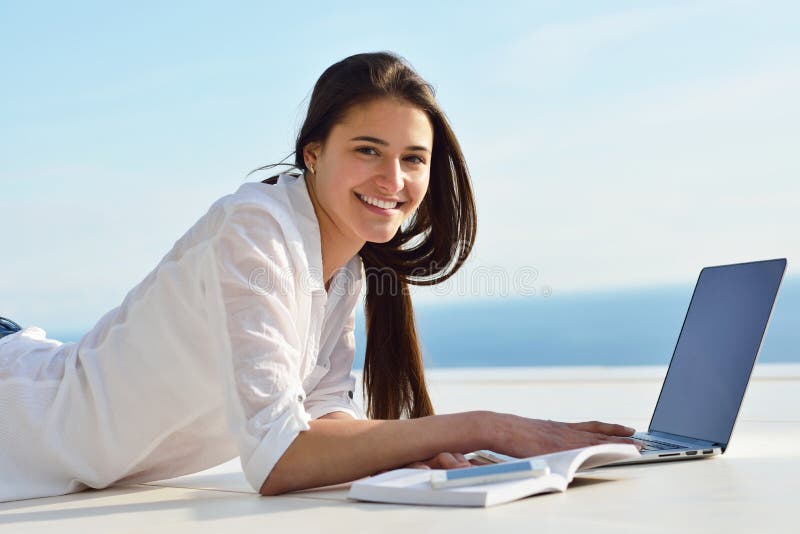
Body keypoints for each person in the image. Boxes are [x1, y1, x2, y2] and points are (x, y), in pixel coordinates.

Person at [0, 51, 640, 502]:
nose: (393, 181)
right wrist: (486, 427)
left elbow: (319, 418)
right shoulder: (253, 229)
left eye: (412, 159)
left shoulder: (344, 267)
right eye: (368, 150)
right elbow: (277, 460)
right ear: (314, 152)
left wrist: (413, 447)